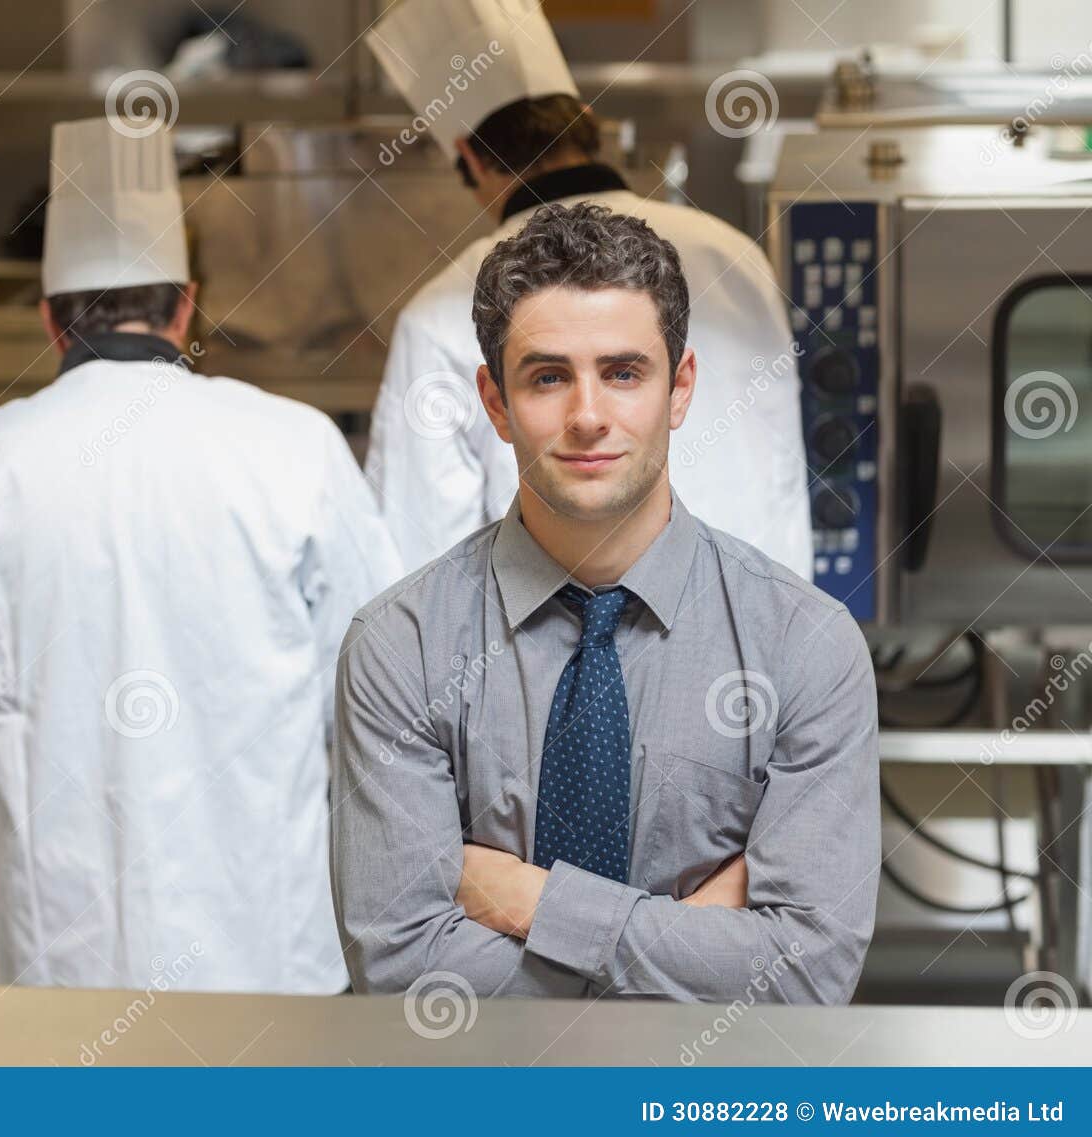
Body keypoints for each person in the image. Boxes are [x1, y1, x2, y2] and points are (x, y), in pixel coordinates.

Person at [0, 116, 402, 993]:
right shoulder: (293, 443)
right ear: (187, 305)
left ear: (52, 322)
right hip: (264, 936)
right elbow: (372, 679)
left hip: (63, 934)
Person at [331, 203, 878, 1002]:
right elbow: (402, 969)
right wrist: (693, 932)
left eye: (623, 372)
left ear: (680, 387)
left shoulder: (805, 645)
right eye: (548, 376)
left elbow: (803, 972)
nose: (588, 416)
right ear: (494, 401)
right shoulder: (401, 646)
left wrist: (528, 901)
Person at [364, 0, 811, 576]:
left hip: (550, 653)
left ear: (470, 160)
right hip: (754, 627)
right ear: (586, 121)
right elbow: (783, 475)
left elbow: (421, 548)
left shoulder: (443, 308)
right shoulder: (735, 254)